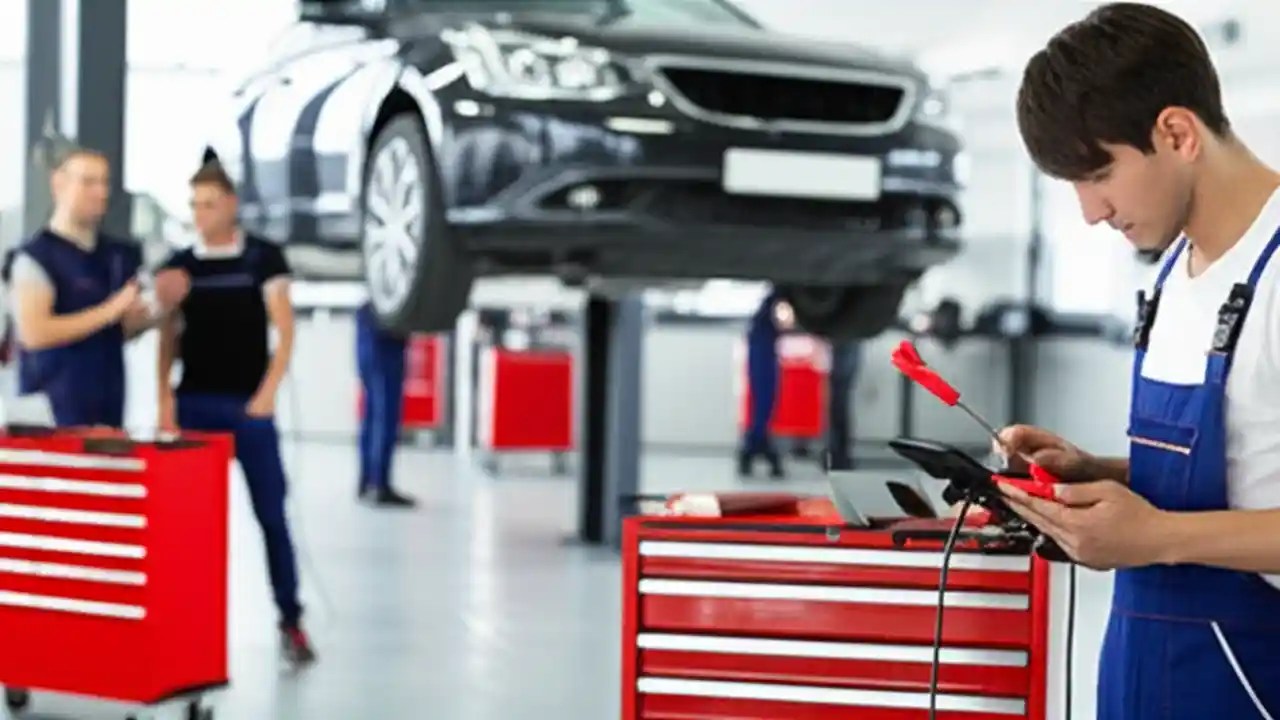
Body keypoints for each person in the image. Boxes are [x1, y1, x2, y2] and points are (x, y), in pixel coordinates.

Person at [1000, 4, 1280, 718]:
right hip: (1144, 677)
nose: (1091, 212)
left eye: (1098, 175)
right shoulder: (1171, 276)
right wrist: (1096, 473)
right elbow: (1248, 467)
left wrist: (1155, 536)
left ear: (1177, 133)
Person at [157, 161, 316, 666]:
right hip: (195, 405)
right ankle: (180, 622)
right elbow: (168, 333)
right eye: (194, 205)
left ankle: (290, 618)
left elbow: (285, 330)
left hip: (248, 407)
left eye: (209, 203)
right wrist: (164, 399)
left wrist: (267, 393)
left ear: (231, 205)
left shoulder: (263, 259)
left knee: (271, 515)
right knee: (186, 525)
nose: (200, 214)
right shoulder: (181, 264)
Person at [6, 147, 183, 427]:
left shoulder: (114, 256)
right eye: (88, 182)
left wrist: (158, 310)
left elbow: (115, 331)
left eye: (104, 183)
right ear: (59, 184)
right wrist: (112, 309)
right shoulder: (34, 258)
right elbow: (34, 333)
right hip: (48, 418)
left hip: (107, 412)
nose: (100, 192)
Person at [355, 301, 416, 507]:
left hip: (368, 326)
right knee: (385, 415)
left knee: (372, 415)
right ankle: (380, 485)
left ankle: (366, 481)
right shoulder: (392, 293)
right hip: (385, 332)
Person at [738, 290, 791, 478]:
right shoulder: (774, 303)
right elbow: (785, 322)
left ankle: (755, 448)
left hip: (764, 354)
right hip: (763, 357)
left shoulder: (768, 307)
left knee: (765, 405)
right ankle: (755, 447)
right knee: (764, 404)